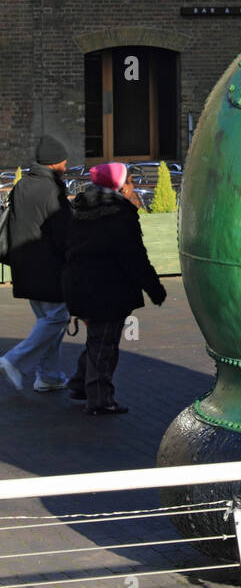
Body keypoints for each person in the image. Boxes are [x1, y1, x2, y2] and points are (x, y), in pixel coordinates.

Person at [64, 162, 166, 416]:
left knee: (97, 339)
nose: (133, 187)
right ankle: (99, 398)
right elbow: (134, 256)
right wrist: (155, 289)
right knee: (105, 344)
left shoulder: (80, 209)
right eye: (130, 182)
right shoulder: (120, 215)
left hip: (79, 284)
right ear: (120, 186)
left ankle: (80, 383)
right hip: (109, 289)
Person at [0, 136, 72, 393]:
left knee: (47, 320)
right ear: (56, 162)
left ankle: (49, 376)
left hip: (23, 265)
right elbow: (63, 233)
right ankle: (14, 361)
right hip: (48, 268)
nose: (66, 165)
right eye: (64, 160)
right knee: (57, 317)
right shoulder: (52, 189)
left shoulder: (23, 185)